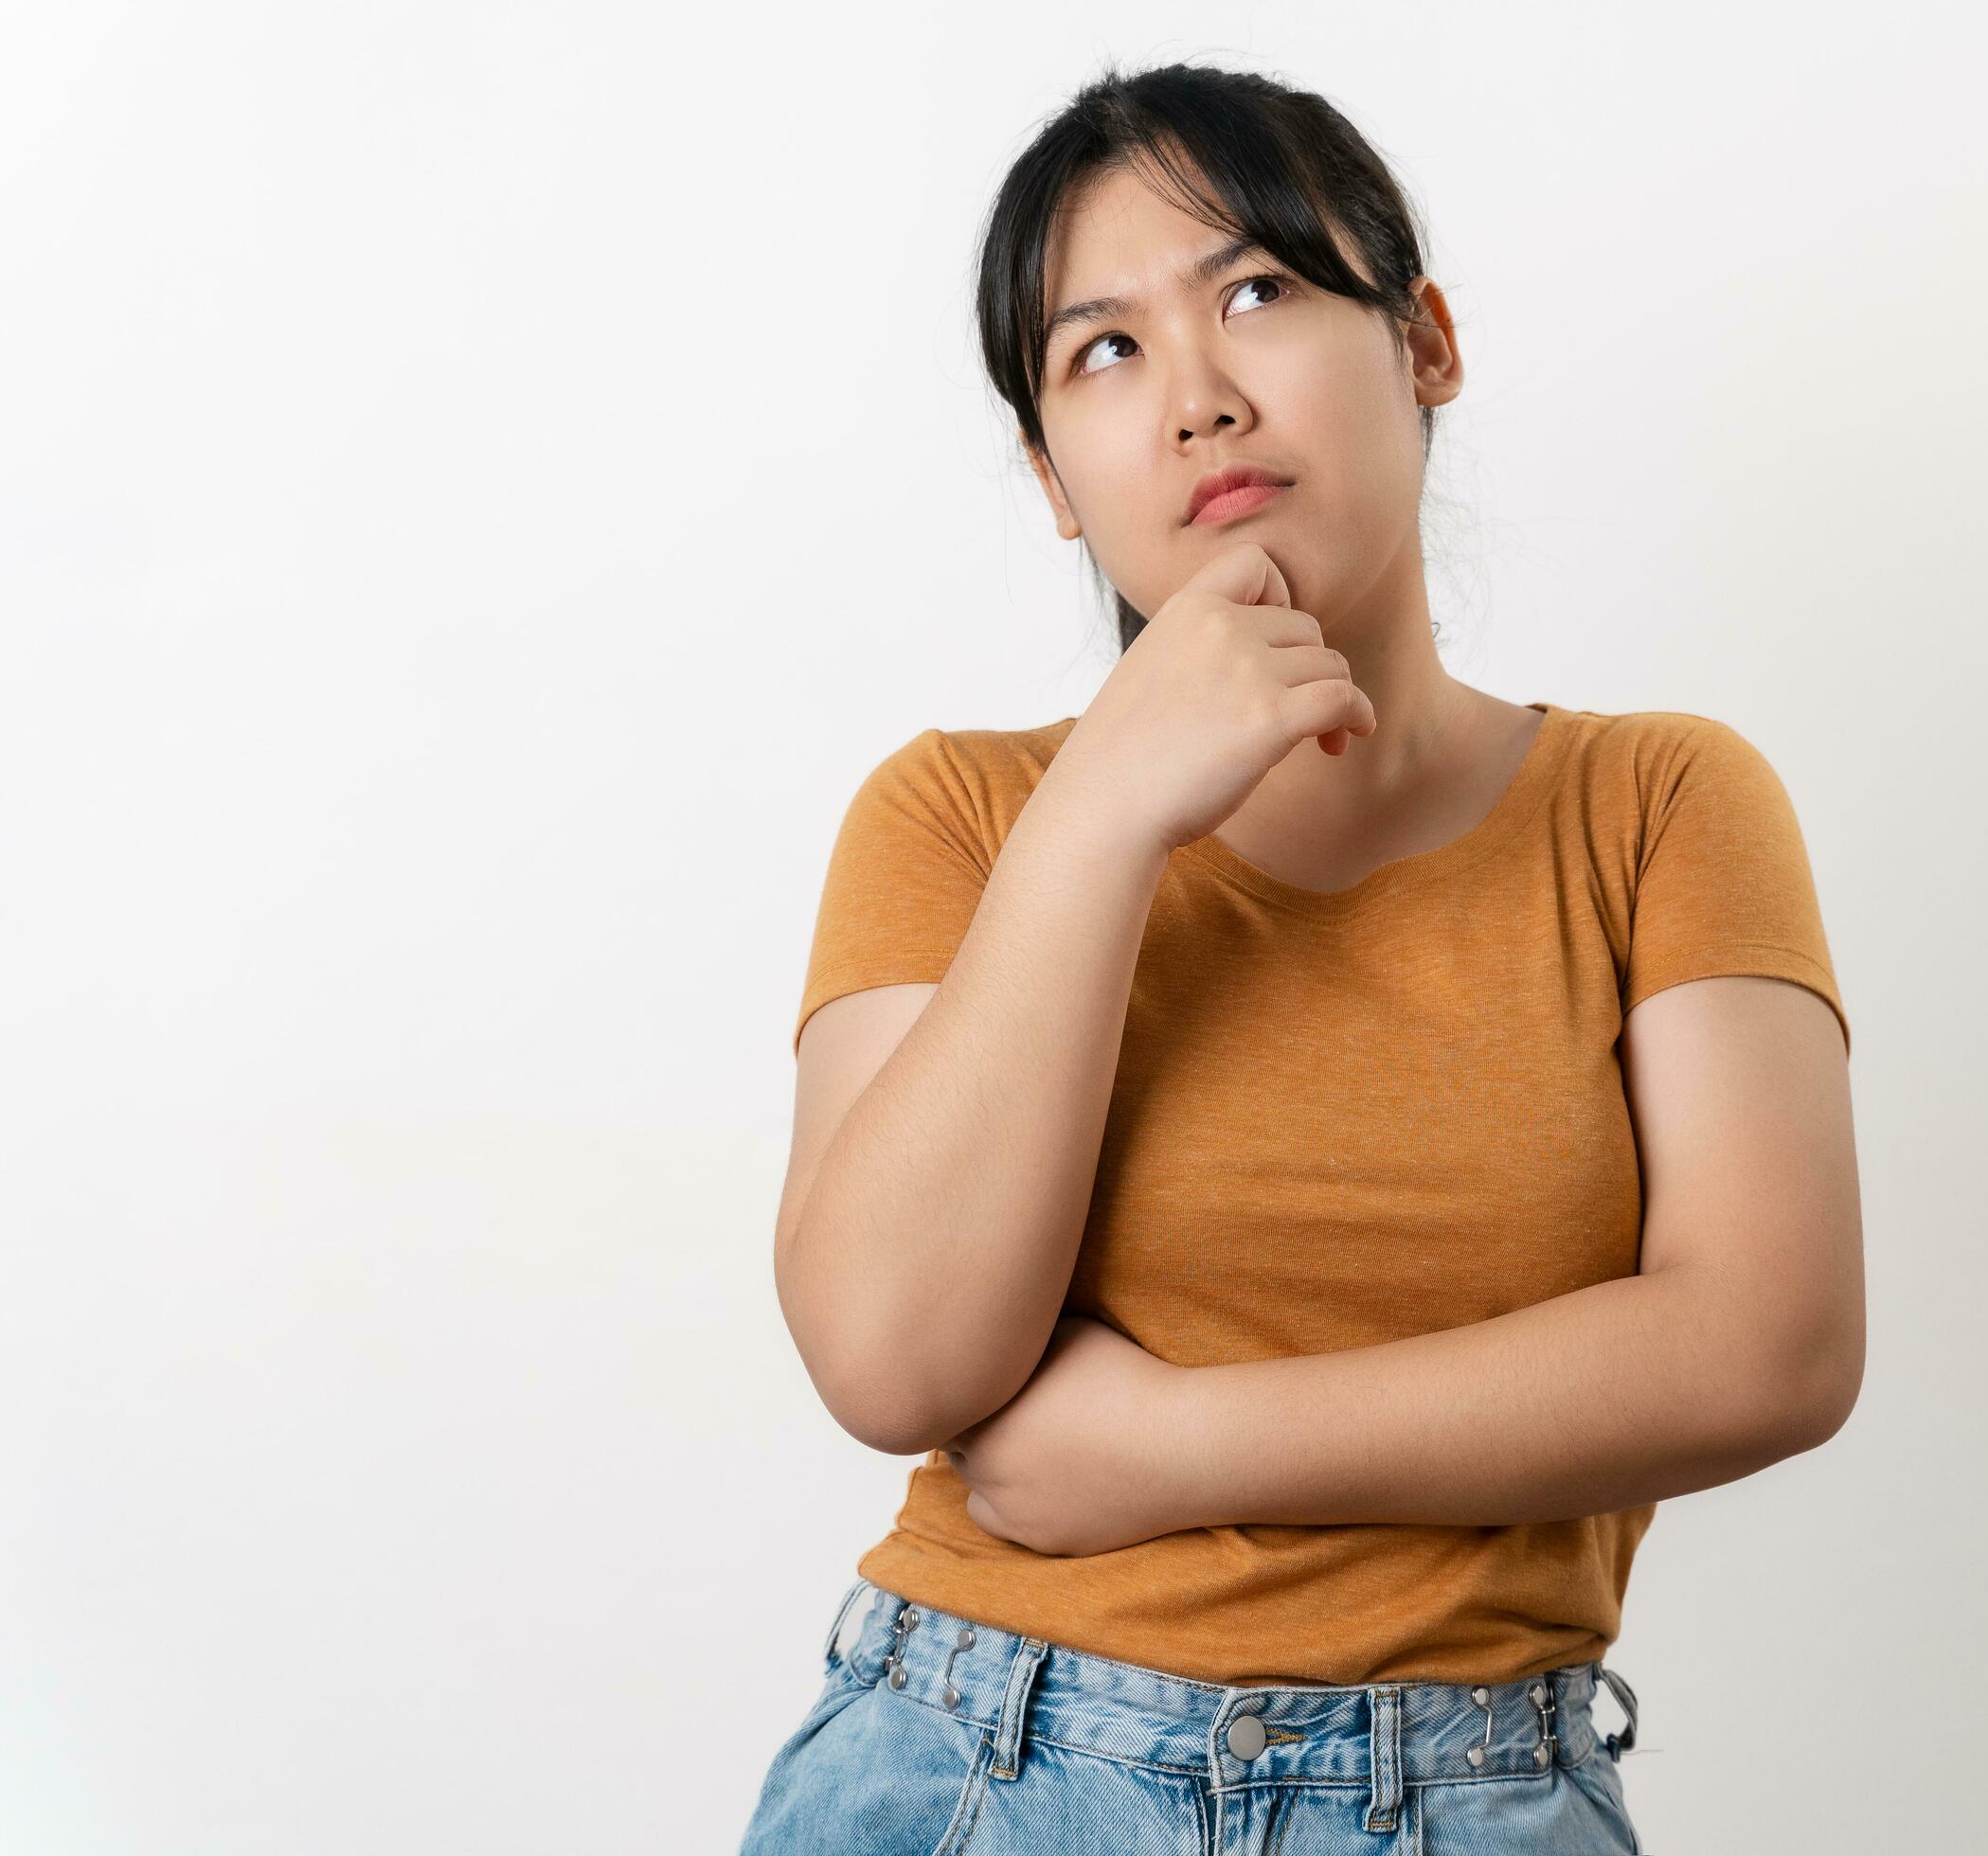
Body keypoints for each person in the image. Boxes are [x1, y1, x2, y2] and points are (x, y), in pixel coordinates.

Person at [740, 58, 1862, 1856]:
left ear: (1423, 341)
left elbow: (1769, 1343)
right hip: (977, 1764)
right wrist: (1103, 814)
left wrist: (1175, 1447)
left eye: (1257, 289)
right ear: (1049, 473)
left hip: (1476, 1798)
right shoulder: (959, 817)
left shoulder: (1657, 804)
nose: (1197, 399)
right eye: (1100, 350)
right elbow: (892, 1359)